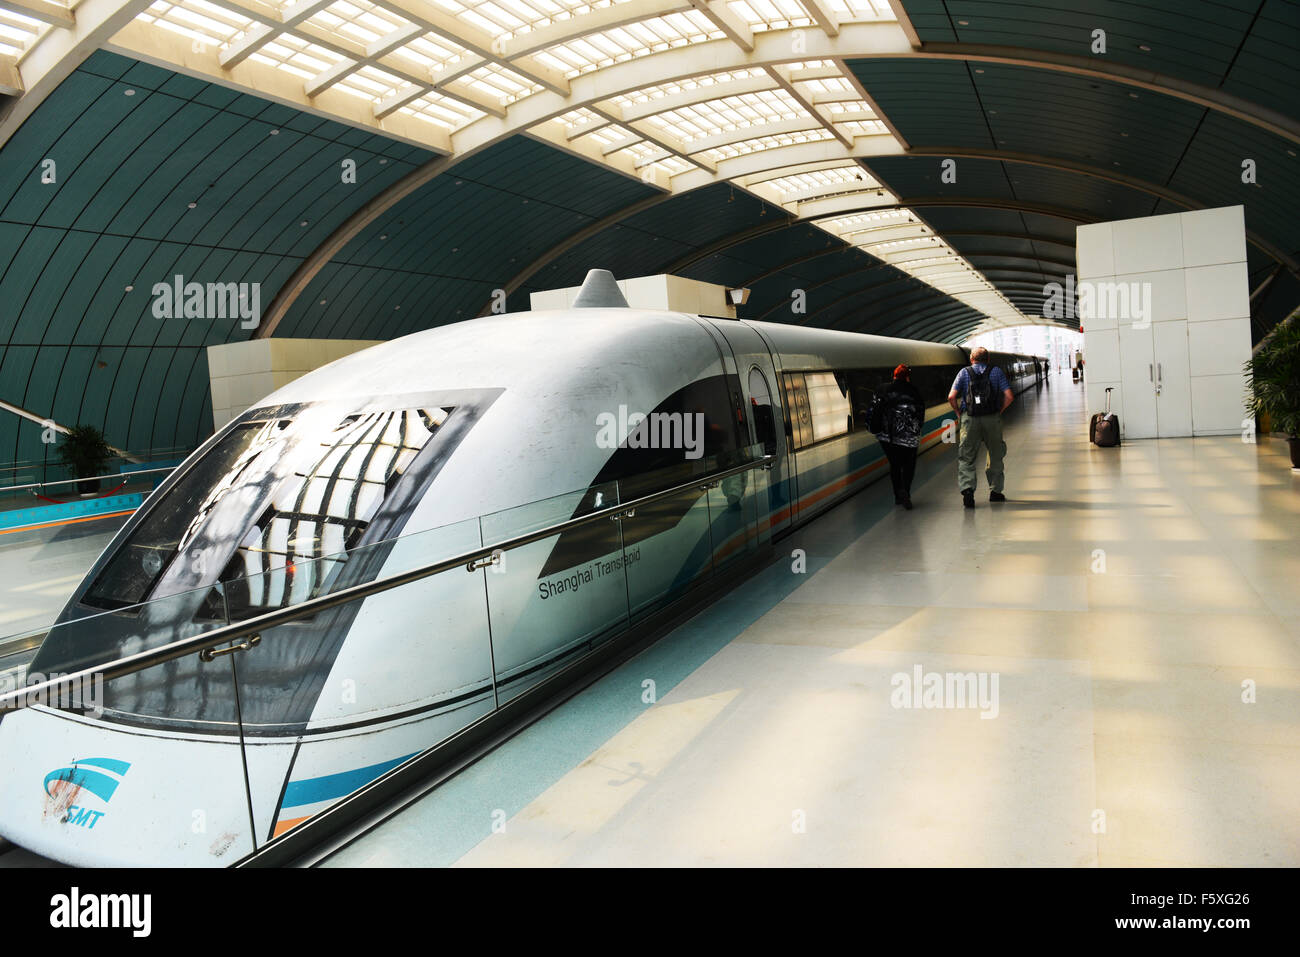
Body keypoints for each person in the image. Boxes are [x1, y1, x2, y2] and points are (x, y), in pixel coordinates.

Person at [947, 347, 1014, 508]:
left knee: (967, 457)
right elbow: (1009, 396)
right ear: (988, 359)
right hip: (992, 418)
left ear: (971, 359)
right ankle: (996, 492)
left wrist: (959, 413)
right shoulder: (996, 371)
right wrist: (999, 411)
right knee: (995, 454)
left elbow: (951, 396)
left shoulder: (964, 372)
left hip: (970, 419)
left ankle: (968, 491)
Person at [873, 364, 925, 509]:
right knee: (909, 465)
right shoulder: (913, 390)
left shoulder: (881, 389)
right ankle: (905, 492)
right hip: (908, 436)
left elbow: (874, 409)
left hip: (886, 436)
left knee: (895, 465)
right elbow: (920, 412)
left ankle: (897, 496)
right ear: (907, 377)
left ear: (894, 375)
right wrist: (918, 428)